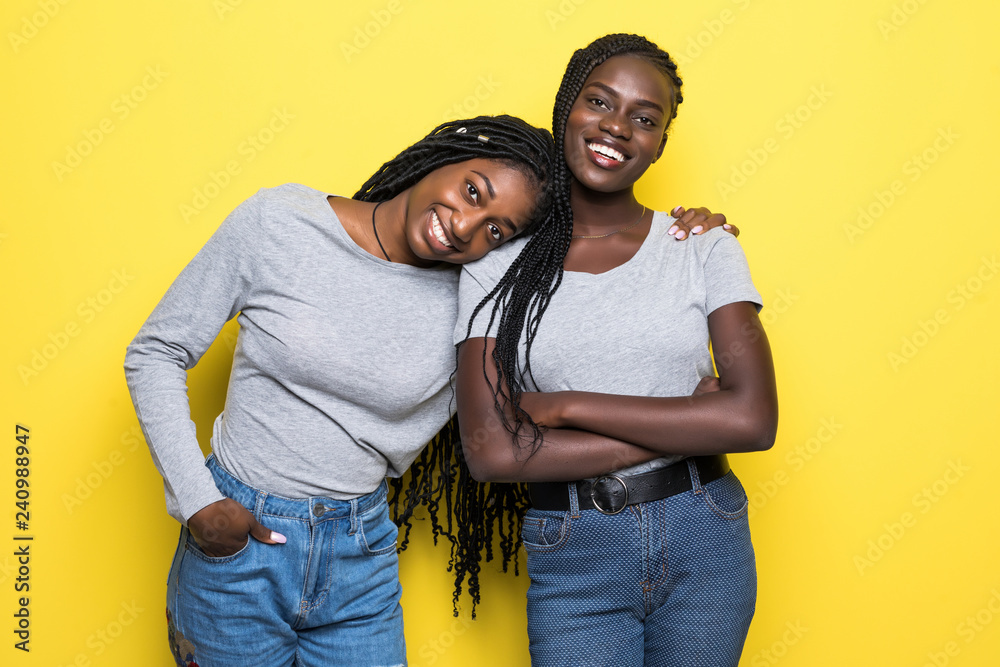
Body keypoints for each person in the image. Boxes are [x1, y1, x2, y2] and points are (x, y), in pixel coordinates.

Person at [124, 115, 559, 666]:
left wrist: (682, 238)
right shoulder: (281, 221)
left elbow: (581, 291)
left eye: (496, 229)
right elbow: (156, 351)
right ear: (447, 155)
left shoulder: (478, 295)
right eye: (472, 191)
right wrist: (198, 502)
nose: (466, 225)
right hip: (240, 545)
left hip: (361, 553)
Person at [453, 34, 777, 666]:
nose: (618, 128)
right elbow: (491, 451)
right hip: (574, 542)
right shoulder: (497, 264)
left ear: (660, 143)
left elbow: (752, 421)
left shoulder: (703, 247)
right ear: (567, 104)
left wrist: (565, 406)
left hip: (704, 534)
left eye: (645, 119)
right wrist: (693, 424)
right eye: (600, 101)